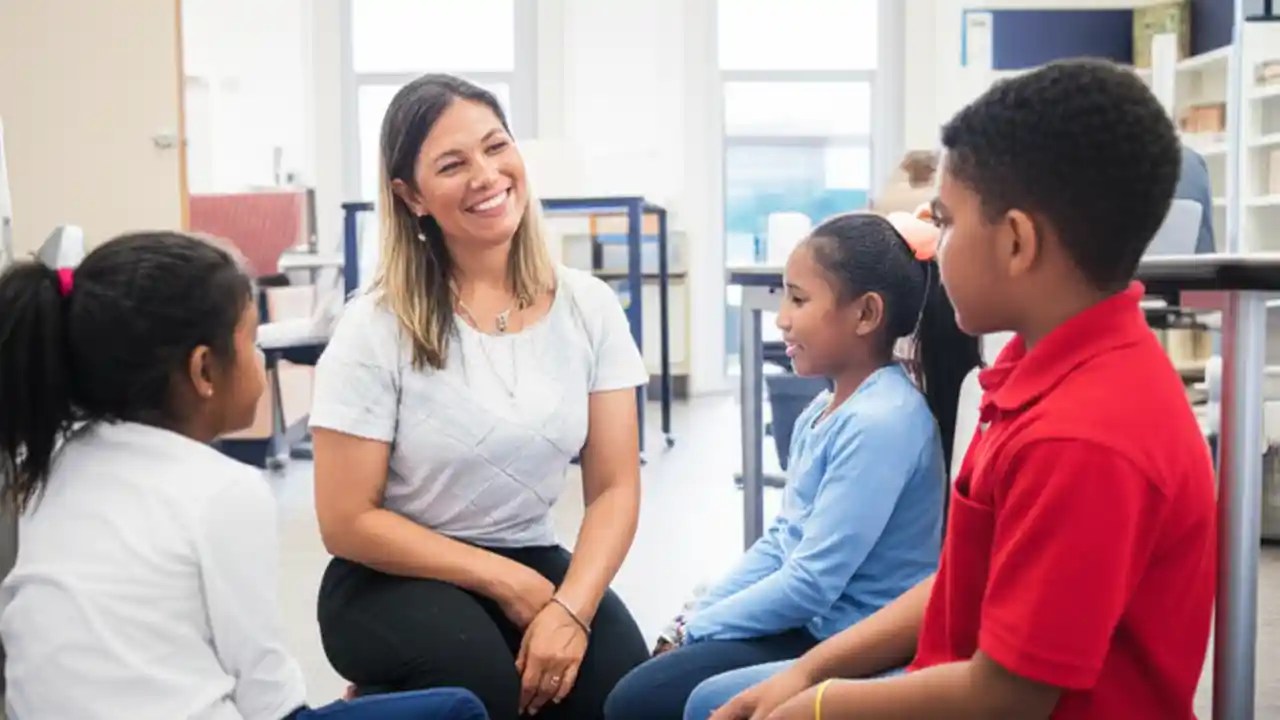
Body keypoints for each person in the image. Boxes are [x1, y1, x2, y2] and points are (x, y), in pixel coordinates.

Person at [700, 58, 1216, 720]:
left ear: (1016, 242)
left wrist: (819, 705)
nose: (933, 246)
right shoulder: (1038, 377)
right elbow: (968, 584)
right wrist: (811, 670)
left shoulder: (1084, 438)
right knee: (713, 699)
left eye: (943, 222)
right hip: (948, 672)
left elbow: (1008, 697)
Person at [0, 232, 488, 720]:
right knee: (457, 709)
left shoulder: (50, 464)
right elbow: (268, 701)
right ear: (204, 371)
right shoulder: (222, 491)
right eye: (252, 339)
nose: (259, 358)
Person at [309, 73, 650, 720]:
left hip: (532, 555)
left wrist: (571, 609)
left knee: (624, 699)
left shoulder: (589, 306)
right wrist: (507, 581)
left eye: (496, 147)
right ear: (410, 195)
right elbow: (346, 520)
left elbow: (615, 489)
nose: (486, 175)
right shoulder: (376, 325)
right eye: (452, 164)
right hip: (391, 576)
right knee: (482, 690)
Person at [604, 211, 982, 720]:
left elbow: (810, 582)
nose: (781, 317)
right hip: (817, 622)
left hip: (854, 639)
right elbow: (783, 539)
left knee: (643, 701)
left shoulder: (882, 422)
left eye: (799, 299)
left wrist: (701, 628)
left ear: (866, 314)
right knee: (641, 691)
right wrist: (697, 617)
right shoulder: (823, 411)